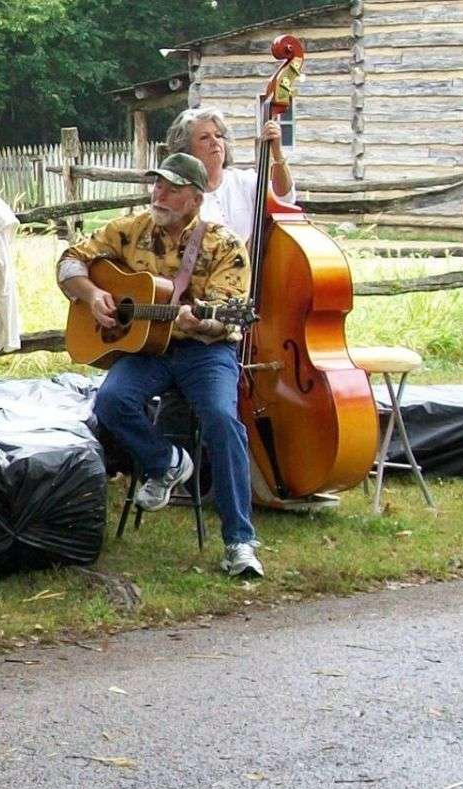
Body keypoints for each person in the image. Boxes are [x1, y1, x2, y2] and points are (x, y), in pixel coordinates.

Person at [58, 152, 263, 579]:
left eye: (171, 188)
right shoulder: (130, 230)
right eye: (157, 184)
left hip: (204, 351)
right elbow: (69, 261)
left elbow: (231, 311)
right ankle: (166, 461)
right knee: (111, 402)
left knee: (222, 420)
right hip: (149, 349)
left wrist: (201, 318)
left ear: (195, 198)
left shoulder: (224, 245)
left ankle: (240, 542)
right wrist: (92, 295)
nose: (159, 193)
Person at [169, 106, 295, 247]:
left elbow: (285, 198)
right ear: (187, 150)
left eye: (218, 135)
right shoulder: (181, 195)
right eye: (204, 137)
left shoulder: (245, 181)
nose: (215, 141)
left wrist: (277, 153)